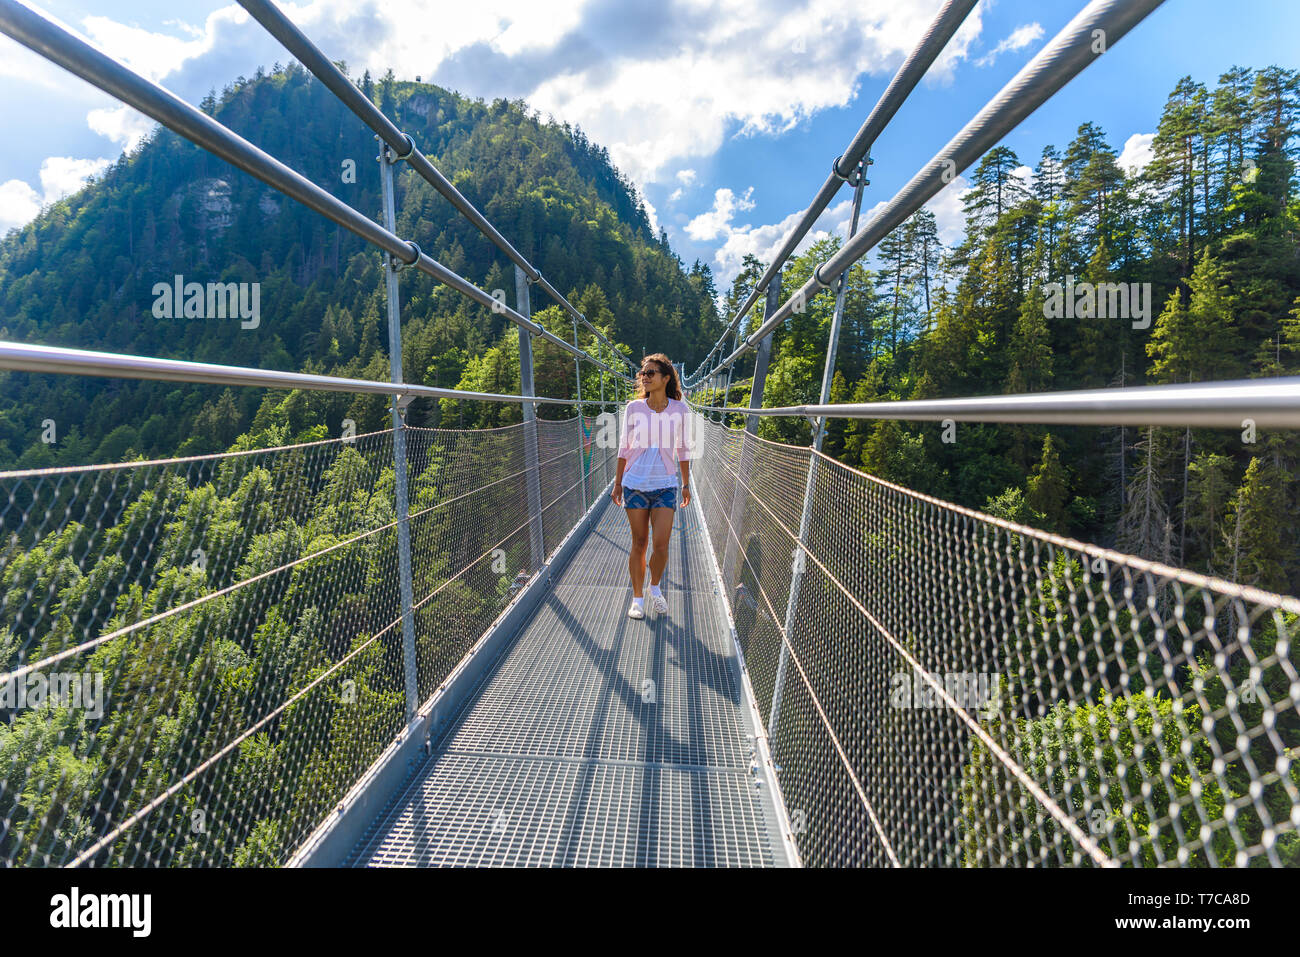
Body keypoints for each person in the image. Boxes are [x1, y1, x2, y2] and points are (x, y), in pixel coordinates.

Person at [612, 353, 694, 619]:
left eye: (651, 373)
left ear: (666, 378)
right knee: (639, 542)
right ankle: (637, 599)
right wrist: (617, 484)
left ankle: (654, 587)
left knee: (661, 543)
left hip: (666, 484)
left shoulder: (680, 409)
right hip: (635, 483)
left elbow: (683, 448)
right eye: (642, 374)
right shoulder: (634, 408)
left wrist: (685, 483)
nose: (644, 377)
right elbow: (624, 447)